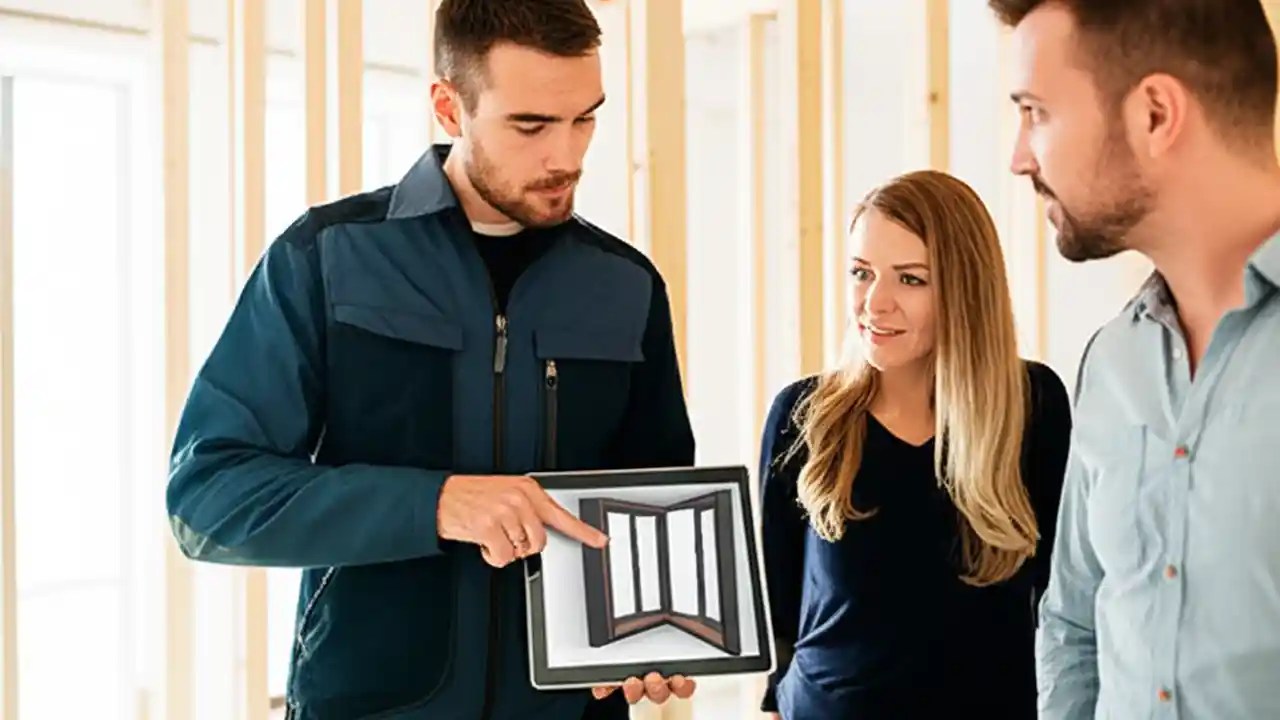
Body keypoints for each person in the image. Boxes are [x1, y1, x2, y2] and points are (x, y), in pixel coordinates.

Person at [165, 1, 697, 718]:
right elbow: (210, 498)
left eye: (585, 118)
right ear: (450, 107)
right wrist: (436, 503)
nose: (567, 156)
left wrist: (655, 641)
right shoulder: (325, 259)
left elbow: (650, 514)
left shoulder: (628, 287)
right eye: (531, 125)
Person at [990, 0, 1280, 716]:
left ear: (1155, 114)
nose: (1019, 156)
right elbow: (1074, 627)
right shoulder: (1113, 363)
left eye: (1037, 112)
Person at [757, 170, 1072, 718]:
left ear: (964, 288)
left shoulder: (1034, 406)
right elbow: (776, 619)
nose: (875, 304)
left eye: (910, 279)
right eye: (861, 273)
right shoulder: (803, 415)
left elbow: (1065, 604)